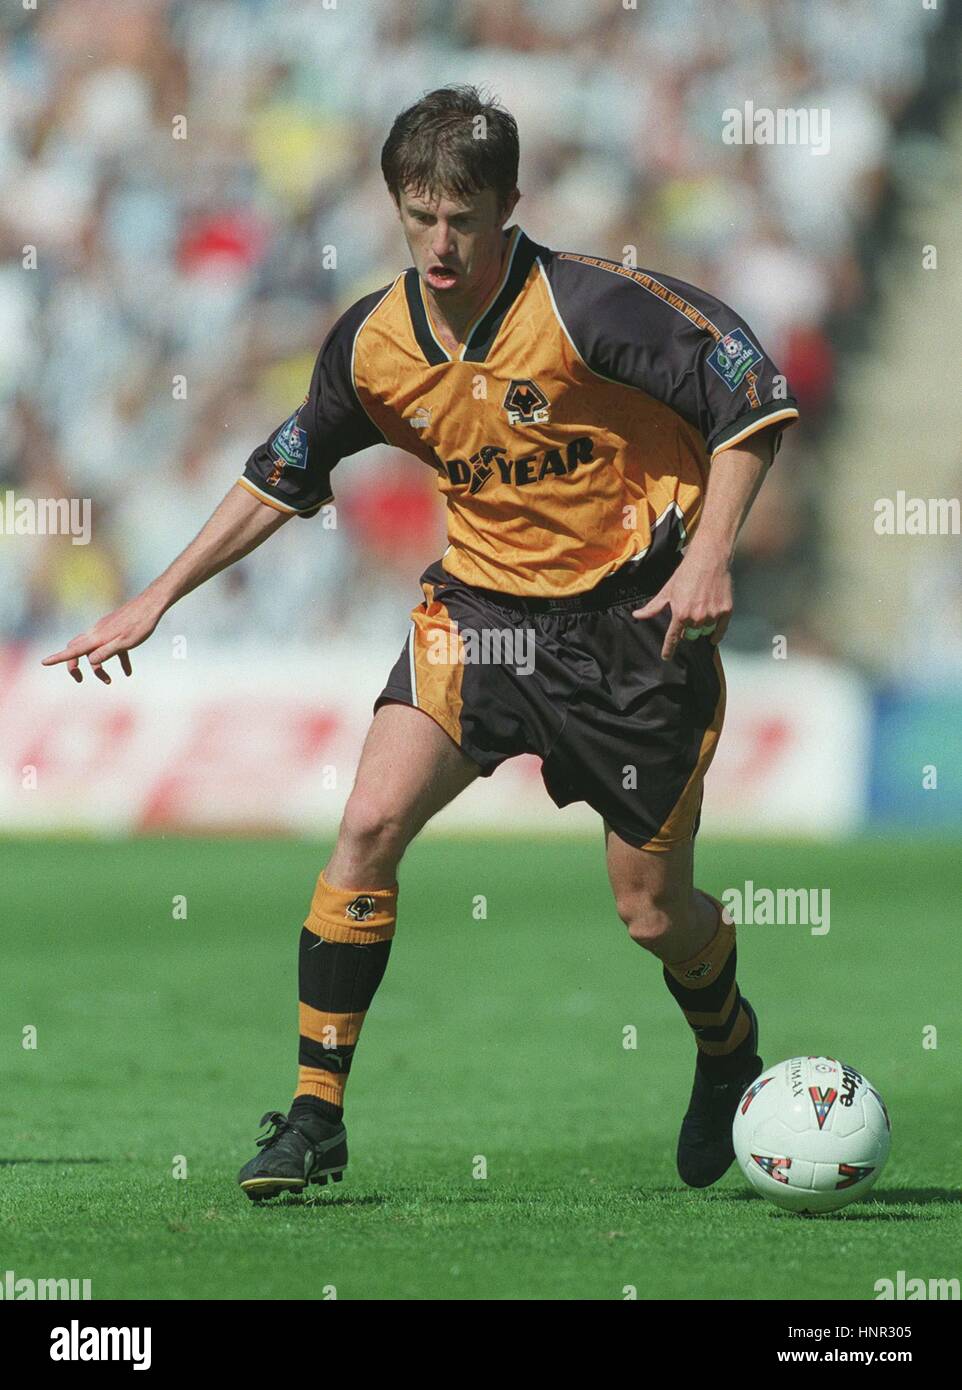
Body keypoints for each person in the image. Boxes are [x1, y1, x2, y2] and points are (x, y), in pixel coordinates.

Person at [43, 86, 799, 1201]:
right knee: (367, 822)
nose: (439, 244)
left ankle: (726, 1045)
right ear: (395, 206)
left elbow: (748, 389)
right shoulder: (374, 342)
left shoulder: (591, 310)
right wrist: (154, 597)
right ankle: (313, 1117)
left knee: (650, 912)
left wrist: (708, 553)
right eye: (418, 214)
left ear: (509, 207)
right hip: (480, 620)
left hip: (632, 630)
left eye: (462, 217)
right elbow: (281, 474)